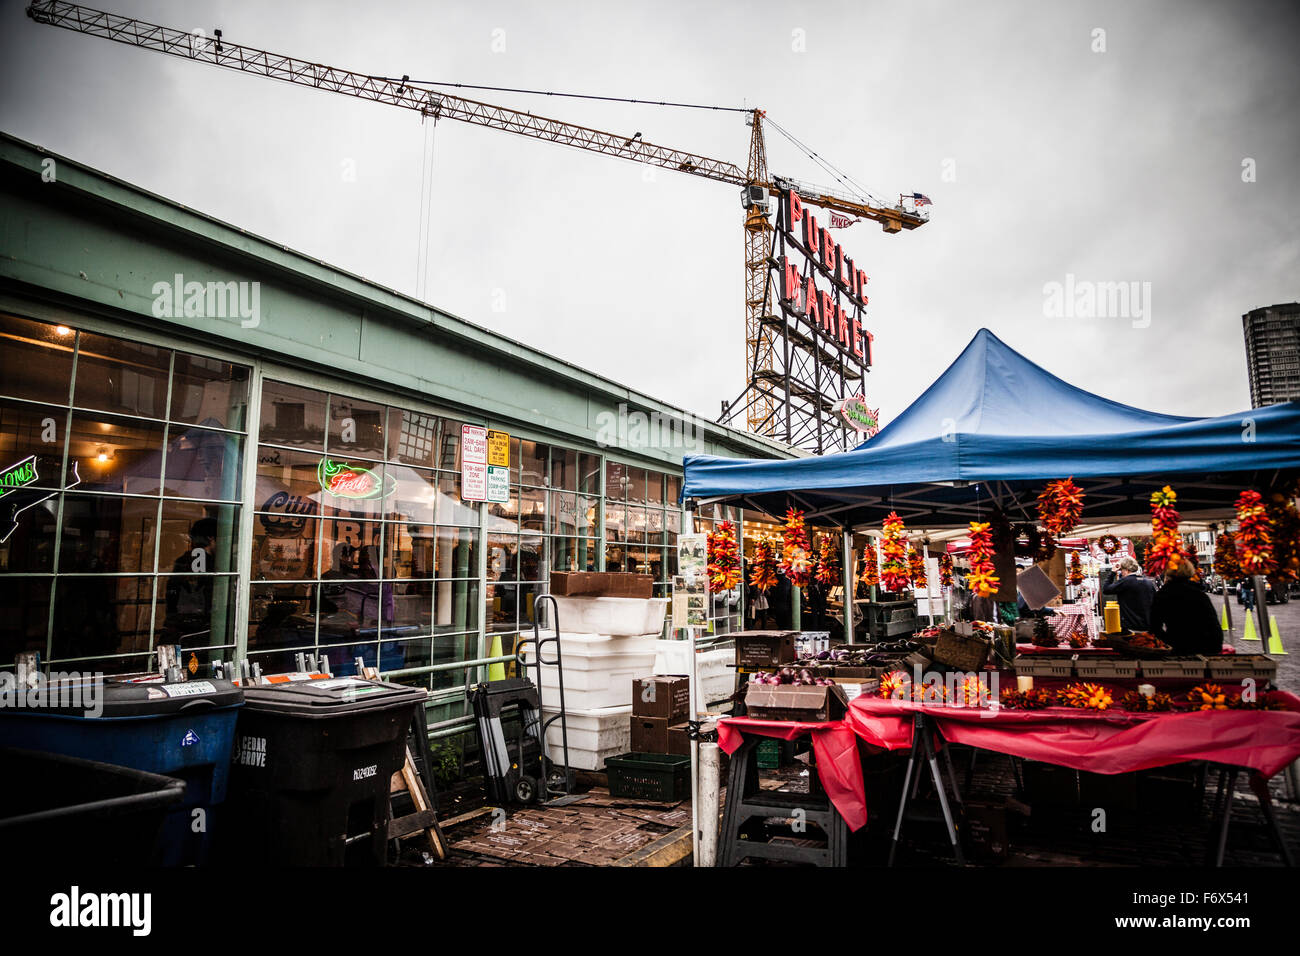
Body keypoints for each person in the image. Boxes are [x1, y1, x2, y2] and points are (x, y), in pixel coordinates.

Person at [1149, 558, 1222, 655]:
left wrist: (1168, 641)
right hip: (1205, 647)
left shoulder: (1163, 595)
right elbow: (1214, 626)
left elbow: (1154, 627)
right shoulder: (1199, 594)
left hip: (1178, 647)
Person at [1101, 557, 1157, 631]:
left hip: (1131, 626)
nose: (1121, 573)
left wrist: (1113, 572)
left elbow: (1106, 589)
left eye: (1121, 570)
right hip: (1148, 626)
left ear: (1126, 570)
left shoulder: (1125, 581)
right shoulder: (1148, 582)